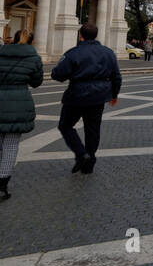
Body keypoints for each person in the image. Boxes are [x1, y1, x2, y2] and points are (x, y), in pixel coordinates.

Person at [51, 22, 122, 173]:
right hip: (99, 96)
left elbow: (58, 75)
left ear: (81, 35)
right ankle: (90, 161)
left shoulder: (73, 53)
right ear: (96, 35)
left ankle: (81, 153)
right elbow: (117, 76)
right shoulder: (108, 53)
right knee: (93, 130)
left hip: (77, 95)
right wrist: (114, 94)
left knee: (65, 125)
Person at [0, 32, 44, 200]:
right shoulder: (33, 58)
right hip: (18, 104)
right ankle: (2, 184)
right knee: (10, 146)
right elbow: (36, 82)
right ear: (31, 41)